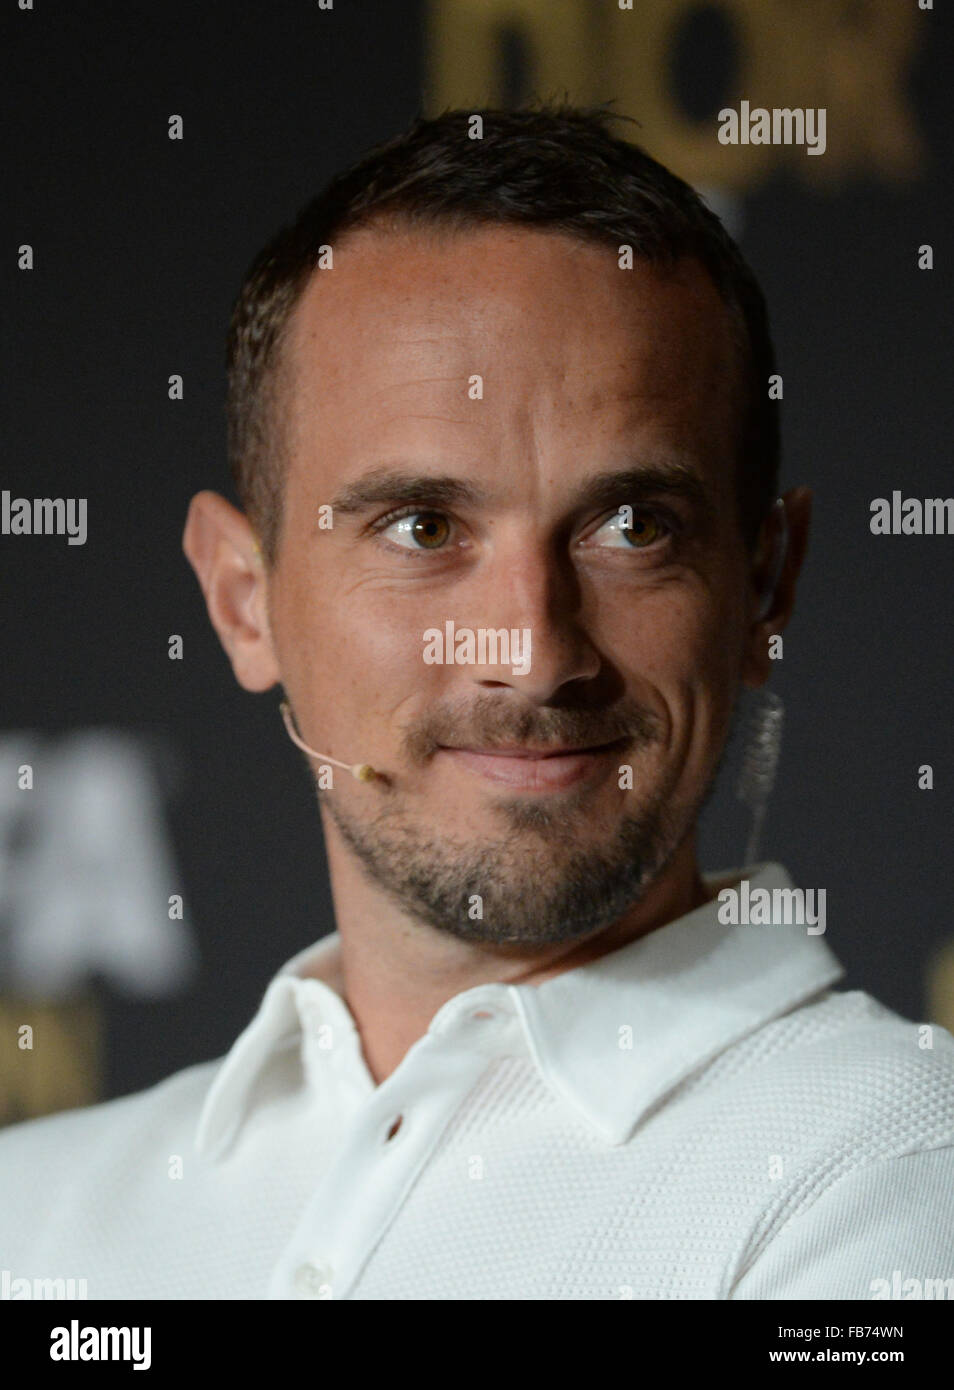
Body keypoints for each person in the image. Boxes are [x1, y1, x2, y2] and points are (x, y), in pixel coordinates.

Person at [2, 106, 952, 1301]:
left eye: (633, 527)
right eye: (424, 527)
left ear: (767, 581)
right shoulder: (28, 1216)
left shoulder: (897, 1173)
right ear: (246, 601)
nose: (532, 649)